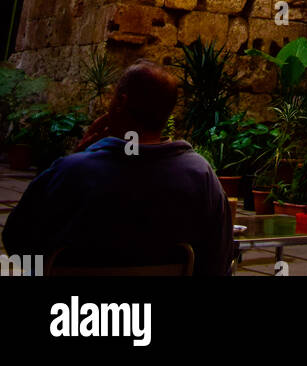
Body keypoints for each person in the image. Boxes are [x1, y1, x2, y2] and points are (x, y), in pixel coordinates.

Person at [3, 59, 233, 275]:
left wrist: (77, 158)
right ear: (167, 114)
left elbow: (17, 240)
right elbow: (217, 263)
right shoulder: (202, 176)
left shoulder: (70, 172)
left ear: (121, 102)